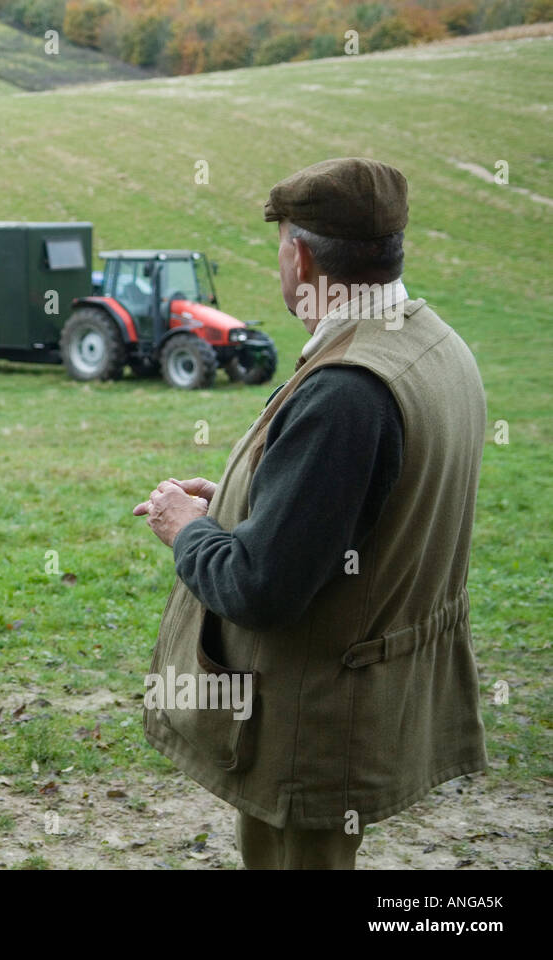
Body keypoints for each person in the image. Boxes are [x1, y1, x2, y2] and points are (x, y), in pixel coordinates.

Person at [133, 158, 487, 870]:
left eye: (281, 246)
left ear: (299, 256)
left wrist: (187, 528)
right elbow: (362, 510)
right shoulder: (432, 344)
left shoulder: (346, 392)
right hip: (364, 702)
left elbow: (262, 588)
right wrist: (241, 504)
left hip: (313, 725)